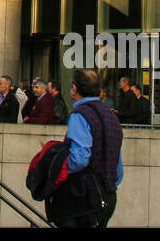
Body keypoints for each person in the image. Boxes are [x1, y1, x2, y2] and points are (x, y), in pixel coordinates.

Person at [51, 68, 123, 227]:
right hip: (109, 195)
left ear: (74, 88)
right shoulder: (111, 116)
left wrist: (57, 169)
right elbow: (118, 167)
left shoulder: (80, 114)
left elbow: (79, 158)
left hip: (84, 198)